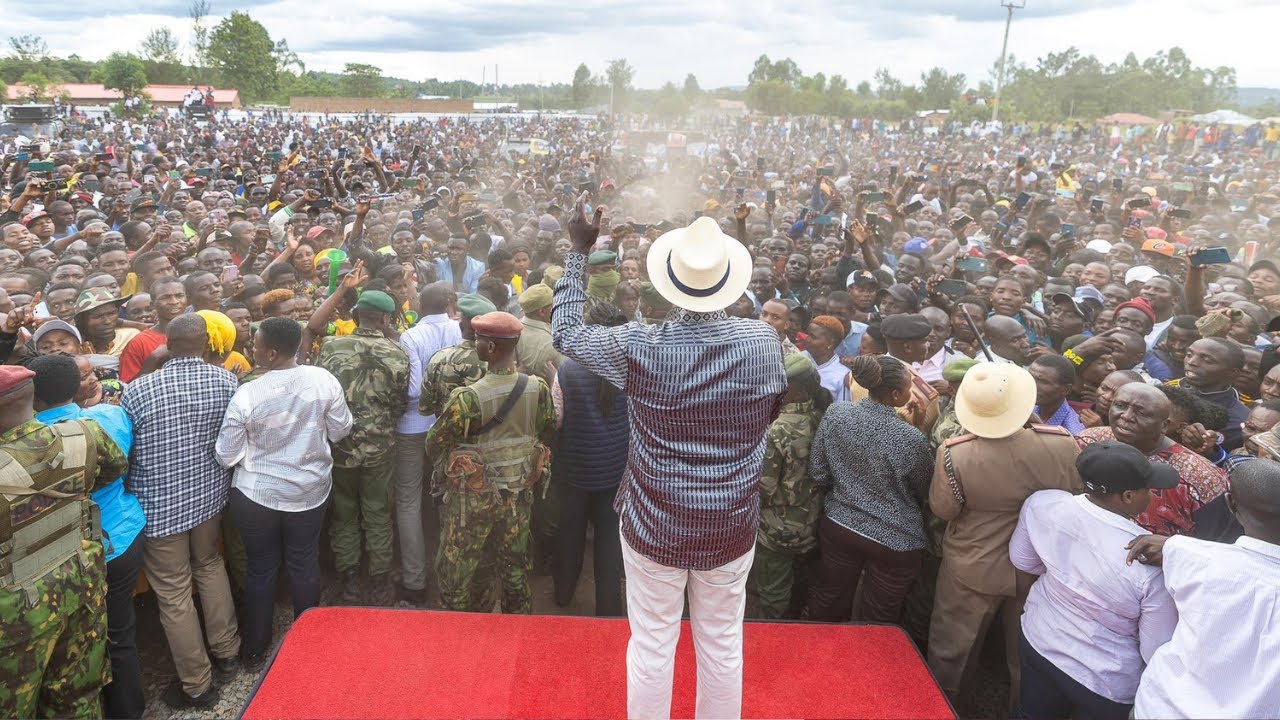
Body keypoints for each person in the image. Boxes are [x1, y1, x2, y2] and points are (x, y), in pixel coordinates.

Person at [552, 206, 786, 720]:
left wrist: (577, 253)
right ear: (727, 283)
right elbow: (769, 413)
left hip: (654, 520)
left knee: (653, 644)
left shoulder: (640, 345)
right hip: (729, 520)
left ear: (669, 284)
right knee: (722, 643)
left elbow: (566, 334)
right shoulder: (764, 341)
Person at [926, 362, 1084, 712]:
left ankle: (942, 709)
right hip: (1038, 565)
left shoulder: (956, 452)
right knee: (1025, 656)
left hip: (972, 563)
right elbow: (1075, 496)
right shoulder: (1062, 444)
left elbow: (945, 510)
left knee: (953, 650)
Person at [215, 317, 352, 671]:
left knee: (261, 569)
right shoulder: (323, 379)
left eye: (255, 345)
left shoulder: (247, 393)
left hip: (257, 494)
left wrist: (257, 454)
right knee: (303, 561)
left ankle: (255, 650)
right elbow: (340, 431)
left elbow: (226, 455)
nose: (251, 349)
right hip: (309, 490)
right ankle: (310, 640)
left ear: (271, 353)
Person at [1009, 441, 1179, 720]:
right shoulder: (1148, 562)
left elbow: (1024, 561)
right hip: (1104, 678)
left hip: (1040, 638)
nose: (1152, 495)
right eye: (1148, 489)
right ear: (1126, 497)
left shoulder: (1043, 503)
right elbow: (1155, 648)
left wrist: (1067, 576)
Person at [121, 314, 241, 708]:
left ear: (167, 345)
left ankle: (198, 684)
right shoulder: (226, 380)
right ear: (207, 343)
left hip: (159, 508)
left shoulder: (138, 391)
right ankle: (228, 652)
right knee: (209, 566)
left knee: (173, 593)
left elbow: (125, 449)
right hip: (208, 498)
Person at [0, 365, 129, 719]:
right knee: (78, 697)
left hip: (17, 616)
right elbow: (114, 469)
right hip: (80, 584)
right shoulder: (84, 434)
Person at [29, 354, 146, 719]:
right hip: (122, 536)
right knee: (121, 632)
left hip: (69, 554)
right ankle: (130, 710)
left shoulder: (28, 441)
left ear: (36, 398)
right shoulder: (110, 418)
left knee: (78, 644)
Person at [1127, 459, 1280, 718]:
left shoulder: (1190, 554)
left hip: (1159, 708)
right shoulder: (1189, 553)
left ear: (1230, 504)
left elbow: (1156, 548)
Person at [427, 311, 555, 613]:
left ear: (492, 348)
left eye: (480, 340)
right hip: (517, 495)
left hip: (472, 499)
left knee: (458, 568)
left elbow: (435, 443)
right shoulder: (537, 388)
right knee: (514, 566)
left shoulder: (467, 398)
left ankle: (461, 633)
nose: (476, 344)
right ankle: (516, 634)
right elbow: (546, 429)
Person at [807, 354, 934, 622]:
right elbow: (923, 489)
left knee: (828, 599)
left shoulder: (837, 413)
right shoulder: (910, 437)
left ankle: (818, 654)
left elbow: (818, 472)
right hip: (896, 539)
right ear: (897, 393)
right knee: (879, 616)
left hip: (840, 524)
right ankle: (869, 659)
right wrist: (921, 428)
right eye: (910, 387)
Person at [317, 290, 409, 605]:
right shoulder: (397, 353)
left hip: (340, 445)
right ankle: (380, 580)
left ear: (357, 315)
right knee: (378, 511)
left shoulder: (331, 347)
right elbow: (399, 403)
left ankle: (350, 580)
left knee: (343, 513)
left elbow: (324, 394)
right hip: (380, 446)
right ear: (385, 319)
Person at [552, 303, 631, 616]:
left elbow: (556, 420)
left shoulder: (568, 369)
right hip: (615, 469)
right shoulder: (631, 368)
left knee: (569, 532)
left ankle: (562, 593)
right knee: (610, 541)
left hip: (573, 469)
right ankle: (609, 607)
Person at [1078, 384, 1229, 537]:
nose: (1126, 416)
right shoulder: (1087, 440)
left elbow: (1218, 544)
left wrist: (1168, 548)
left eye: (1141, 412)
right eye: (1120, 405)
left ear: (1164, 425)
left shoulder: (1202, 475)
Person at [393, 281, 460, 605]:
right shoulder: (461, 331)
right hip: (452, 425)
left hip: (413, 427)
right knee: (451, 498)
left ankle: (415, 581)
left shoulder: (411, 336)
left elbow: (412, 392)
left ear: (421, 305)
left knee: (408, 501)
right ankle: (452, 577)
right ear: (449, 303)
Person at [750, 353, 828, 619]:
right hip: (813, 522)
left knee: (773, 592)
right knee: (801, 585)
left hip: (777, 529)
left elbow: (764, 487)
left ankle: (777, 639)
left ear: (792, 390)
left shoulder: (778, 429)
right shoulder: (823, 416)